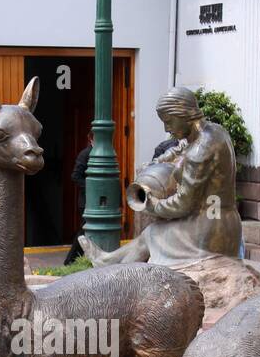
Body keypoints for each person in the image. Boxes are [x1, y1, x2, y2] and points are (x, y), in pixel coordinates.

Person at [78, 87, 241, 268]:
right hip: (224, 222)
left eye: (168, 121)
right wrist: (159, 161)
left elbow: (183, 204)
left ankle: (110, 270)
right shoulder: (215, 131)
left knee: (151, 234)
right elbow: (180, 148)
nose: (166, 128)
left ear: (182, 114)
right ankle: (107, 263)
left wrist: (152, 205)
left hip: (209, 230)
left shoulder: (200, 150)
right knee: (151, 234)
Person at [63, 133, 92, 265]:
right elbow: (75, 176)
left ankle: (74, 260)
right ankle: (70, 260)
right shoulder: (85, 154)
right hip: (86, 200)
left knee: (86, 231)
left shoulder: (107, 152)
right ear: (91, 139)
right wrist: (91, 187)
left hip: (97, 202)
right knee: (84, 230)